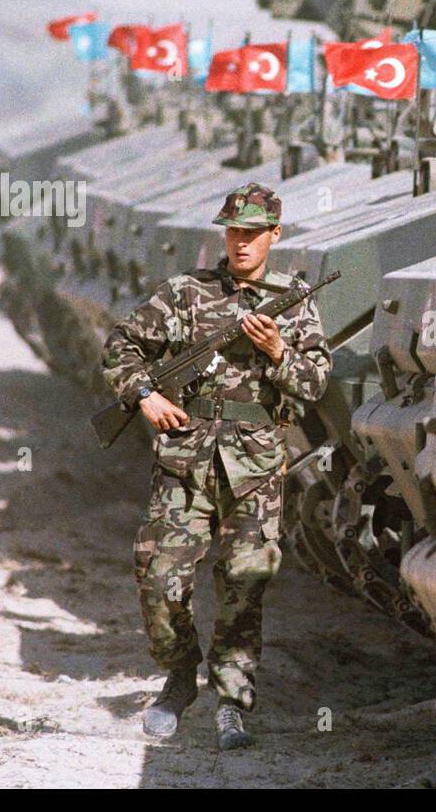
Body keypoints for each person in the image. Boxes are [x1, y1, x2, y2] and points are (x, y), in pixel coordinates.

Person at [101, 183, 331, 750]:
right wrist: (144, 397)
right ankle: (180, 676)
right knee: (157, 576)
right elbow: (121, 345)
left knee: (245, 586)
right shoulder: (184, 293)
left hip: (254, 467)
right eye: (233, 231)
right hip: (185, 458)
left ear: (275, 236)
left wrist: (278, 351)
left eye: (253, 233)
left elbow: (316, 385)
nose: (242, 242)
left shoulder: (296, 301)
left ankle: (232, 702)